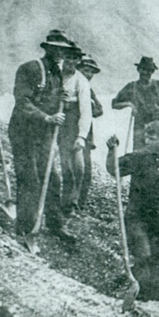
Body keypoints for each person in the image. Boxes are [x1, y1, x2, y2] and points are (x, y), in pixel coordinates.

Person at [106, 120, 159, 300]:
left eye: (152, 138)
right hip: (137, 219)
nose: (147, 141)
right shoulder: (139, 157)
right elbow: (114, 169)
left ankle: (153, 300)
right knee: (144, 255)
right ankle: (137, 293)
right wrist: (111, 150)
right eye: (147, 137)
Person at [8, 30, 80, 244]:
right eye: (56, 48)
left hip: (44, 133)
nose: (60, 53)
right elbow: (22, 101)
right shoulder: (30, 68)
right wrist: (46, 117)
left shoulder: (57, 73)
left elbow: (50, 98)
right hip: (24, 132)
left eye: (64, 50)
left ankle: (55, 224)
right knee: (29, 179)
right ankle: (25, 229)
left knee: (52, 178)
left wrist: (60, 98)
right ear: (47, 48)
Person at [111, 56, 159, 150]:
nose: (146, 73)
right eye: (144, 69)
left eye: (149, 70)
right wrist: (129, 104)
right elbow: (114, 104)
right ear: (138, 70)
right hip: (140, 127)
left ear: (152, 72)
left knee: (157, 154)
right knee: (138, 154)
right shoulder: (131, 87)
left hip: (158, 126)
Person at [57, 48, 92, 216]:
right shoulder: (55, 74)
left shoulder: (81, 81)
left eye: (74, 58)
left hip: (71, 126)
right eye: (67, 57)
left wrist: (81, 136)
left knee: (74, 168)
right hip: (53, 119)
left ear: (78, 61)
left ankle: (70, 203)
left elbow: (86, 111)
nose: (70, 61)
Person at [76, 54, 103, 208]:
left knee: (86, 170)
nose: (89, 74)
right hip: (69, 133)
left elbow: (99, 110)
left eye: (92, 72)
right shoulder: (71, 85)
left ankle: (80, 203)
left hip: (85, 135)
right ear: (79, 69)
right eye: (86, 70)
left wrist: (89, 106)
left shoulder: (89, 91)